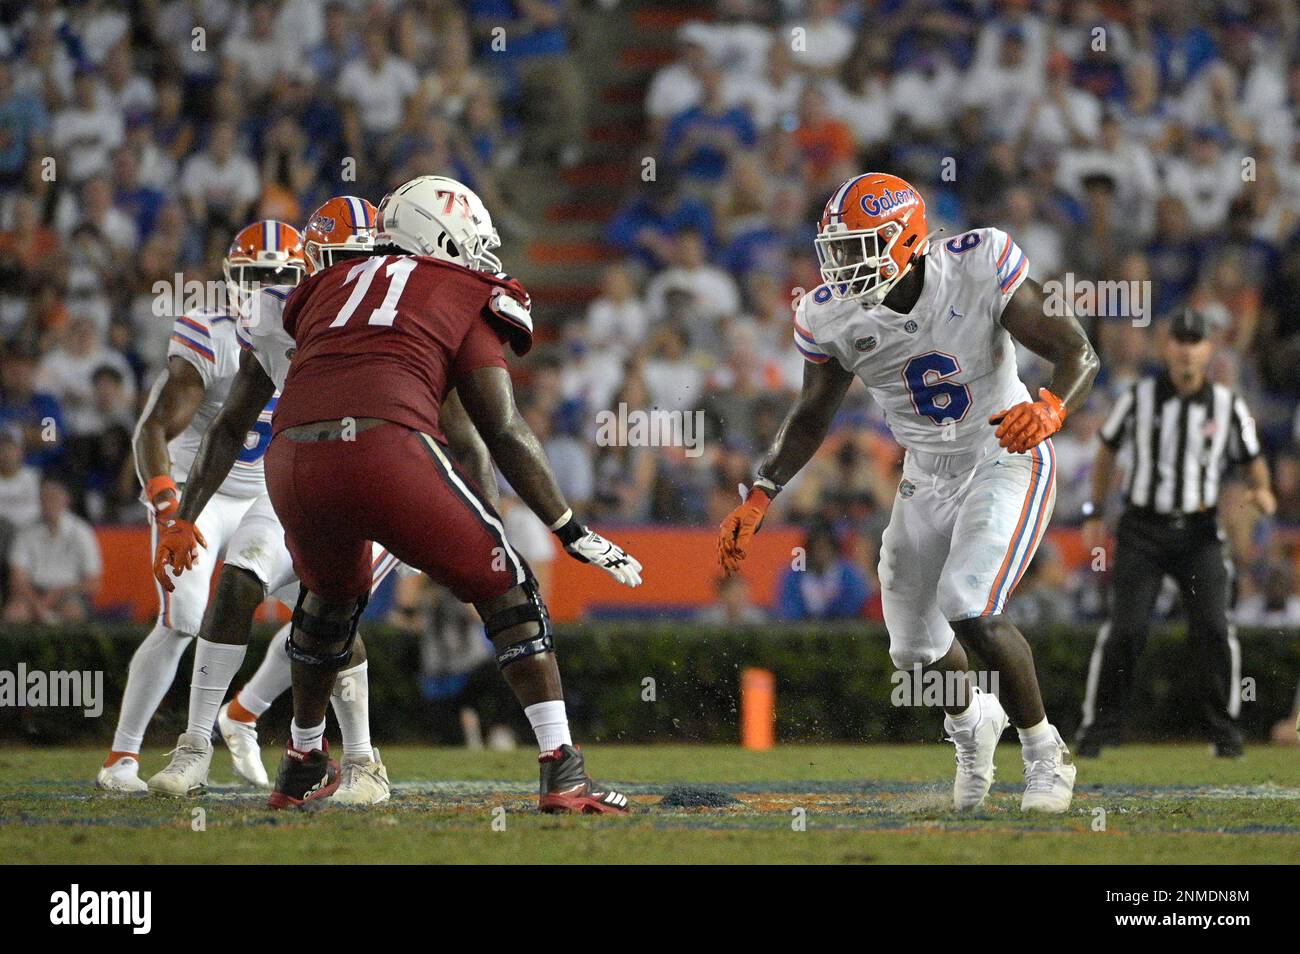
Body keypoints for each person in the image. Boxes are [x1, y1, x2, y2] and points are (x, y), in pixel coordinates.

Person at [157, 176, 642, 813]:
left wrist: (182, 517)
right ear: (440, 239)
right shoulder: (465, 291)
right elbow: (500, 428)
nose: (482, 257)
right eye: (472, 242)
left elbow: (230, 421)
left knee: (325, 607)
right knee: (511, 591)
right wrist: (568, 527)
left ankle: (303, 760)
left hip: (293, 463)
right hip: (387, 454)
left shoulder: (310, 290)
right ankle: (563, 770)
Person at [719, 173, 1099, 813]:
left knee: (968, 603)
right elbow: (813, 413)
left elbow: (1077, 351)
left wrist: (1053, 407)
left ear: (906, 240)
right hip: (925, 475)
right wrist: (761, 493)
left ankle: (1044, 749)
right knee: (914, 649)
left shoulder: (977, 265)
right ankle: (973, 724)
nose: (841, 265)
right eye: (835, 250)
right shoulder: (831, 315)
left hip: (1003, 453)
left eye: (856, 247)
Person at [145, 198, 415, 805]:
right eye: (338, 259)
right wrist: (184, 516)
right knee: (239, 583)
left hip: (380, 479)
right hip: (295, 476)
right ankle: (195, 748)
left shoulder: (401, 315)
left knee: (331, 609)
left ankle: (360, 759)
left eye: (361, 259)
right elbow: (229, 423)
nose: (350, 271)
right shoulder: (277, 318)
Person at [94, 221, 304, 794]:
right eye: (251, 276)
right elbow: (155, 427)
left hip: (268, 494)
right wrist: (168, 504)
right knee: (184, 617)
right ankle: (122, 758)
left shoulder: (314, 334)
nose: (262, 287)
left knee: (323, 614)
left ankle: (246, 716)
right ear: (230, 278)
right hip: (199, 493)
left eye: (276, 276)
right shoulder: (211, 332)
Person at [1077, 310, 1276, 758]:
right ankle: (1099, 728)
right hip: (1143, 528)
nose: (1187, 349)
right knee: (1125, 630)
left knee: (1213, 628)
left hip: (1200, 532)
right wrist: (1094, 510)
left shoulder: (1228, 406)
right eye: (1180, 340)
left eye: (1195, 341)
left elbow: (1253, 460)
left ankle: (1224, 734)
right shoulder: (1138, 397)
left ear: (1208, 349)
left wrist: (1262, 491)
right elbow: (1106, 451)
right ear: (1167, 347)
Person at [5, 475, 101, 623]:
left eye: (54, 498)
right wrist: (38, 604)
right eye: (44, 499)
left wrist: (58, 592)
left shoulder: (82, 532)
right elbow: (17, 579)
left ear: (66, 500)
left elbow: (93, 583)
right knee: (15, 614)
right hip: (33, 592)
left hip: (70, 593)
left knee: (72, 612)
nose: (48, 503)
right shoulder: (26, 532)